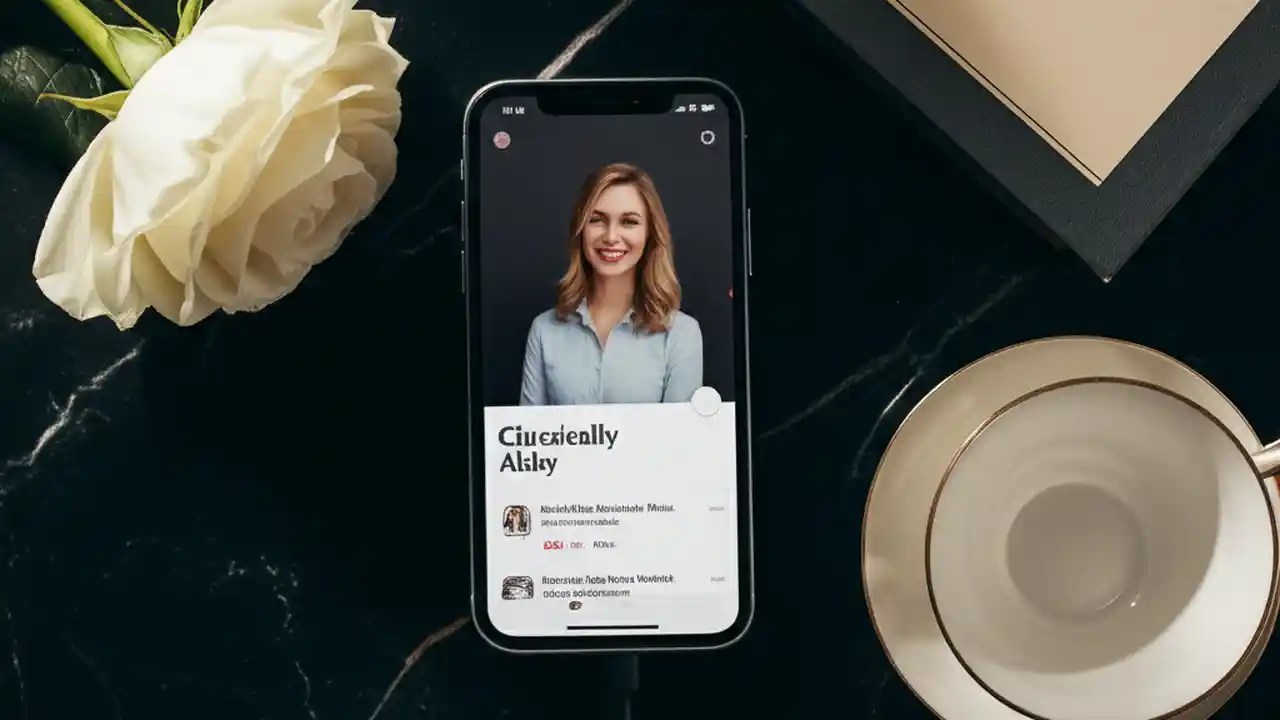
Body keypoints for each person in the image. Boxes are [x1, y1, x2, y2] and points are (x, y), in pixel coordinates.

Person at [520, 162, 703, 406]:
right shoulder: (544, 330)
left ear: (650, 233)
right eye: (597, 220)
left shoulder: (681, 334)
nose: (611, 237)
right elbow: (530, 438)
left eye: (629, 222)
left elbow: (681, 441)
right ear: (580, 229)